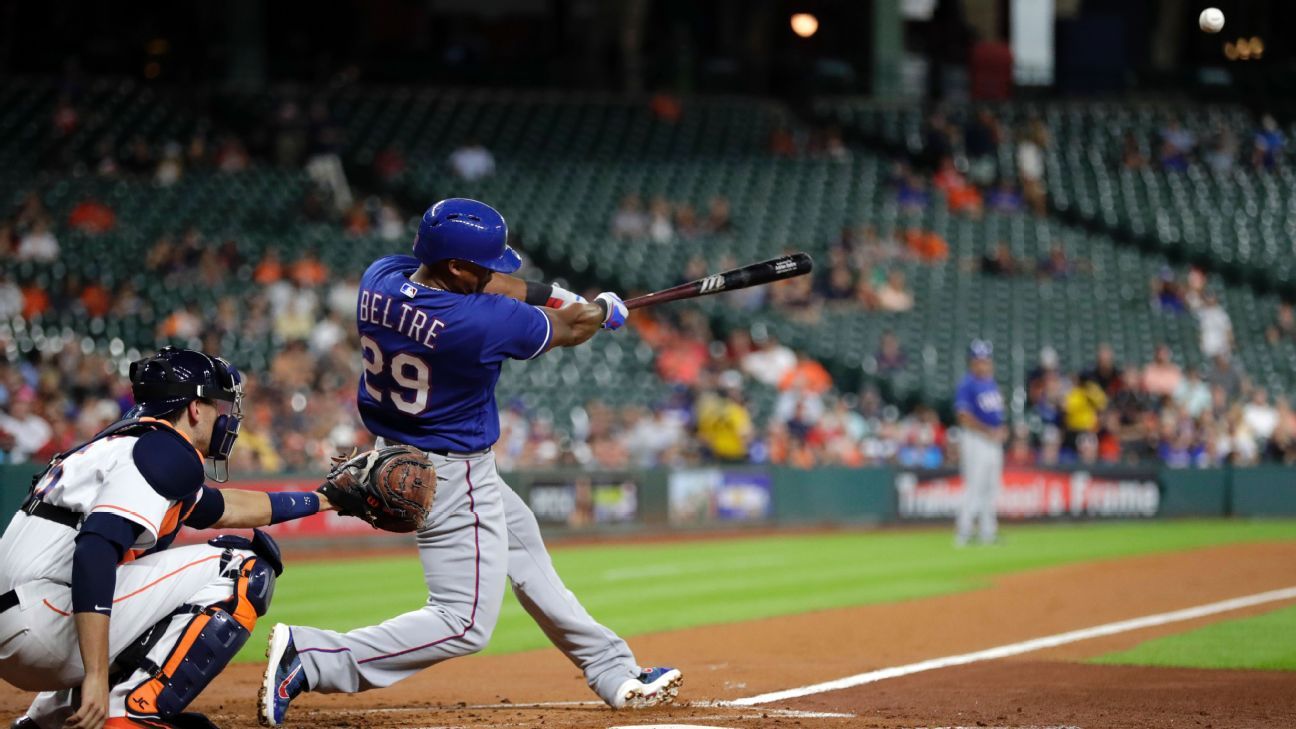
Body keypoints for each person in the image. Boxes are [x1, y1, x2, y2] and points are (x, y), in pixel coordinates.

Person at [260, 198, 681, 726]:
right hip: (453, 472)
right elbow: (572, 329)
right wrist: (602, 312)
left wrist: (568, 297)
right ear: (458, 267)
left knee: (525, 552)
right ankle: (315, 657)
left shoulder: (379, 279)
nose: (493, 273)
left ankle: (611, 669)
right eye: (482, 265)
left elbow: (499, 288)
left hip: (399, 448)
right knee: (463, 622)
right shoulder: (481, 324)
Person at [2, 347, 348, 728]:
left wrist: (325, 500)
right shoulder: (166, 450)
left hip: (24, 626)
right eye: (218, 405)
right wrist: (97, 676)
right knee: (241, 569)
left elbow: (225, 509)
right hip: (42, 622)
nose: (225, 418)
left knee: (163, 604)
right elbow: (95, 551)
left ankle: (46, 721)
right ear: (195, 409)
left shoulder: (130, 444)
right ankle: (130, 714)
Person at [954, 340, 1005, 547]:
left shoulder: (990, 383)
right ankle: (964, 532)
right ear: (972, 363)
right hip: (975, 440)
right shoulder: (967, 384)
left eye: (985, 360)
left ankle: (987, 532)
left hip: (992, 440)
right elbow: (963, 416)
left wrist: (1001, 429)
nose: (983, 364)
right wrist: (988, 430)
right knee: (974, 486)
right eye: (978, 361)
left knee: (991, 487)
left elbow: (996, 414)